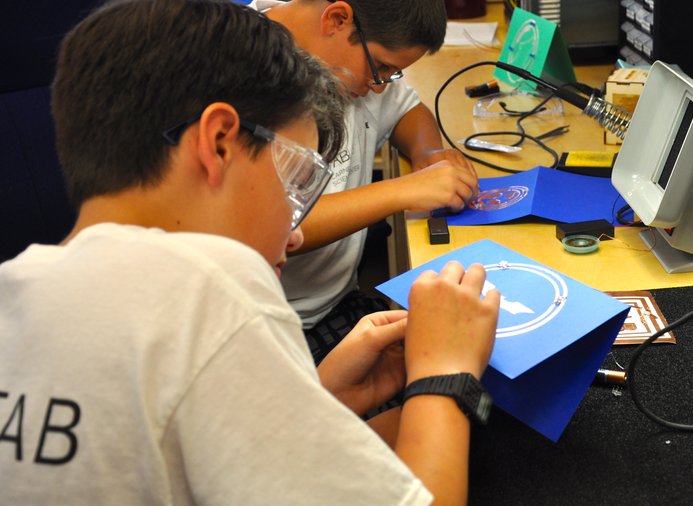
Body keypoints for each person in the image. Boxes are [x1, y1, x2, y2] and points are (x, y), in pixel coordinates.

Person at [0, 0, 500, 504]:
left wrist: (316, 398)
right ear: (219, 142)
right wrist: (445, 375)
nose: (297, 232)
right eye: (296, 181)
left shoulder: (15, 291)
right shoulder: (210, 296)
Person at [251, 0, 481, 362]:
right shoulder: (239, 75)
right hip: (266, 329)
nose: (379, 87)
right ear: (338, 18)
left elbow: (407, 109)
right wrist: (404, 189)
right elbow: (276, 229)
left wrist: (427, 156)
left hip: (332, 304)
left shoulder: (347, 57)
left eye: (393, 74)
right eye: (384, 68)